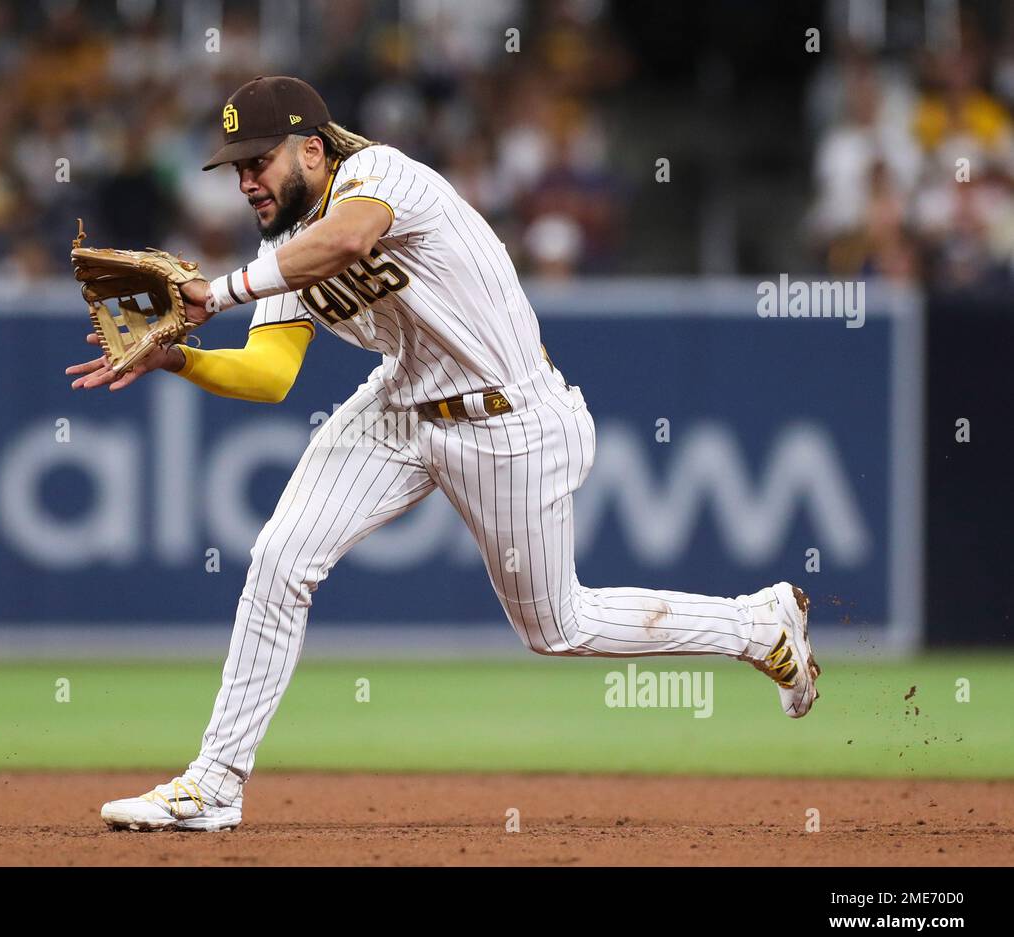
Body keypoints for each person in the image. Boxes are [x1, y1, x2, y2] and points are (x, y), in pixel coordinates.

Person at [66, 76, 820, 833]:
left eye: (258, 160)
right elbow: (269, 375)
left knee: (556, 627)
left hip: (507, 420)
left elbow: (349, 239)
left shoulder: (381, 176)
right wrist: (179, 362)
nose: (246, 180)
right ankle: (215, 783)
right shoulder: (280, 251)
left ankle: (757, 627)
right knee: (279, 559)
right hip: (397, 407)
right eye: (235, 167)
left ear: (312, 149)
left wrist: (217, 293)